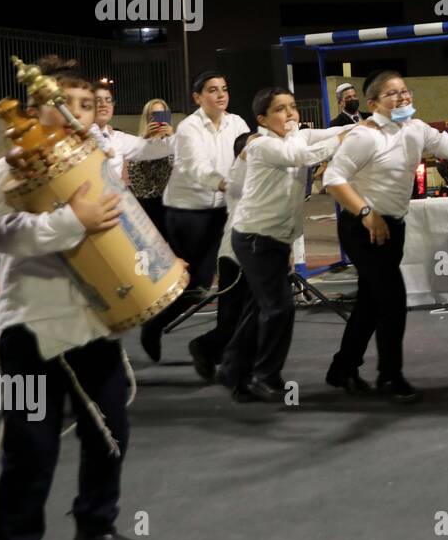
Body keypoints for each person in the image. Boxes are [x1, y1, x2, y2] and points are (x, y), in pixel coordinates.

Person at [0, 55, 149, 540]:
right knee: (31, 453)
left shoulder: (95, 161)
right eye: (65, 104)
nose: (80, 114)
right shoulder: (5, 167)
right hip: (32, 329)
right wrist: (73, 220)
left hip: (92, 323)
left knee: (110, 435)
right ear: (38, 110)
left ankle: (95, 531)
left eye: (85, 105)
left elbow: (126, 224)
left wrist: (157, 261)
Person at [322, 71, 448, 401]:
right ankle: (390, 377)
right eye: (393, 94)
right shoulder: (364, 136)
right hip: (363, 228)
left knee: (370, 302)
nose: (403, 98)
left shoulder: (416, 129)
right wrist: (366, 214)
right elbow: (333, 179)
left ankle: (342, 368)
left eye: (406, 91)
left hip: (393, 226)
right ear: (373, 104)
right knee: (391, 300)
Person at [218, 88, 348, 402]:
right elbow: (301, 157)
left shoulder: (296, 138)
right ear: (261, 119)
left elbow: (327, 132)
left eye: (292, 107)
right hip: (254, 237)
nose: (290, 114)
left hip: (272, 238)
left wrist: (362, 127)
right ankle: (265, 376)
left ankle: (234, 370)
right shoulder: (260, 145)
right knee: (279, 308)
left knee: (260, 307)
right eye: (280, 109)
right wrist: (341, 141)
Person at [140, 71, 249, 362]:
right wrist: (225, 183)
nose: (221, 95)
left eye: (224, 89)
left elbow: (251, 154)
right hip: (188, 213)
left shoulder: (237, 123)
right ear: (198, 97)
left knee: (232, 277)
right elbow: (196, 168)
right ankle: (154, 323)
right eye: (212, 90)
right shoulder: (189, 128)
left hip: (224, 210)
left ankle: (217, 346)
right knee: (196, 285)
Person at [187, 130, 256, 382]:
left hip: (250, 254)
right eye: (254, 146)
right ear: (241, 155)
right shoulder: (240, 175)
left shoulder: (259, 174)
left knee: (247, 317)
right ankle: (205, 347)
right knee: (232, 320)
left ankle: (234, 361)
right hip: (234, 256)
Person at [89, 82, 174, 187]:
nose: (104, 104)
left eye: (108, 100)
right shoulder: (75, 135)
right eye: (98, 100)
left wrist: (173, 136)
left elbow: (153, 149)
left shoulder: (118, 138)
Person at [128, 98, 176, 233]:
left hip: (171, 203)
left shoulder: (173, 141)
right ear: (147, 119)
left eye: (162, 114)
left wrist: (172, 137)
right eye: (154, 115)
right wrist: (147, 139)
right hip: (147, 204)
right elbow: (134, 175)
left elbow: (183, 168)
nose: (158, 119)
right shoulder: (138, 142)